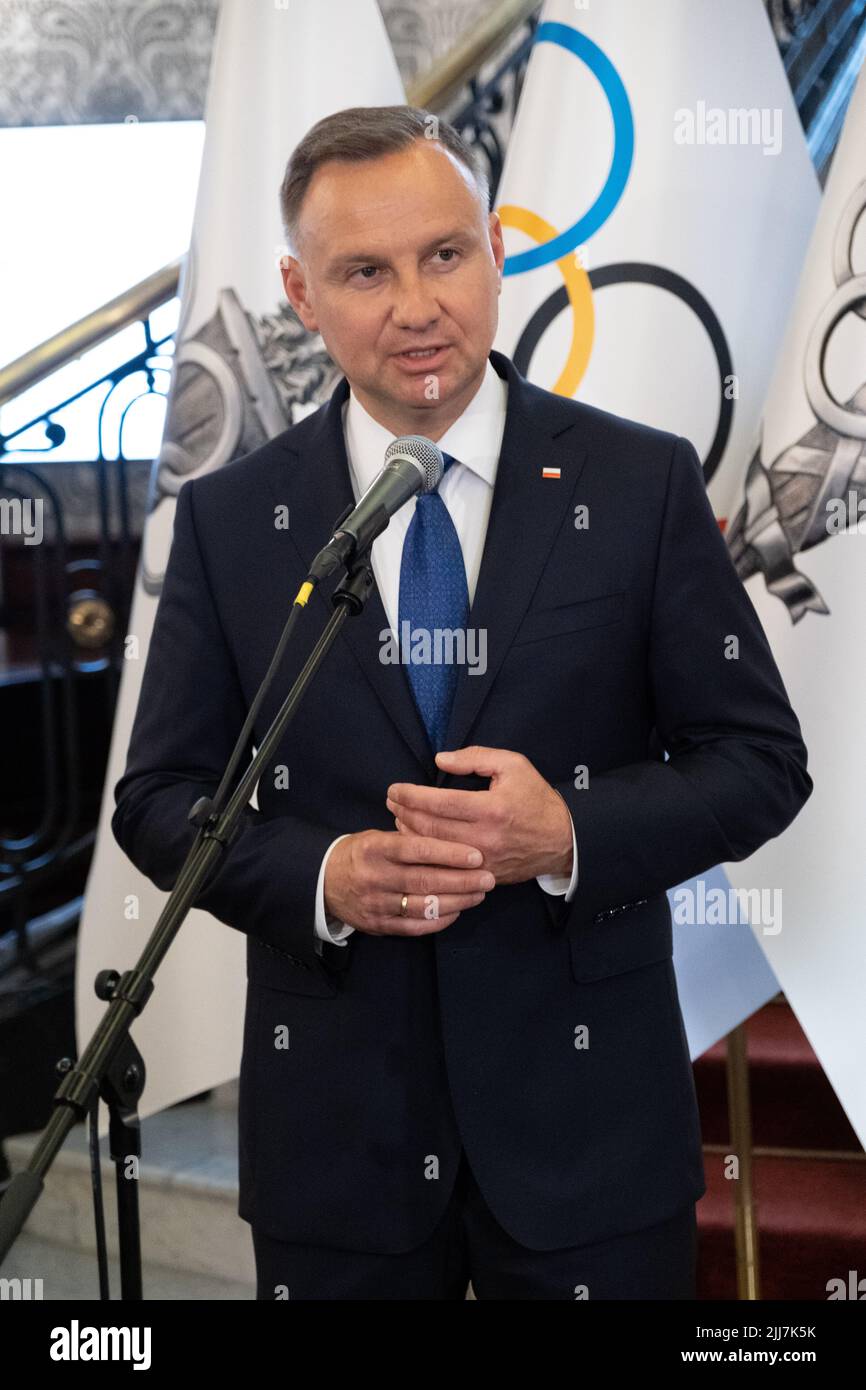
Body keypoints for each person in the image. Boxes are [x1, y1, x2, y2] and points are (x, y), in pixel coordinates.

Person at [112, 105, 812, 1300]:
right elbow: (161, 799)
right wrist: (324, 876)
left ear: (494, 248)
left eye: (444, 254)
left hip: (589, 1139)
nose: (417, 305)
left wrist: (570, 832)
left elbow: (756, 759)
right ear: (299, 290)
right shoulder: (230, 520)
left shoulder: (635, 481)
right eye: (364, 272)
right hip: (340, 1143)